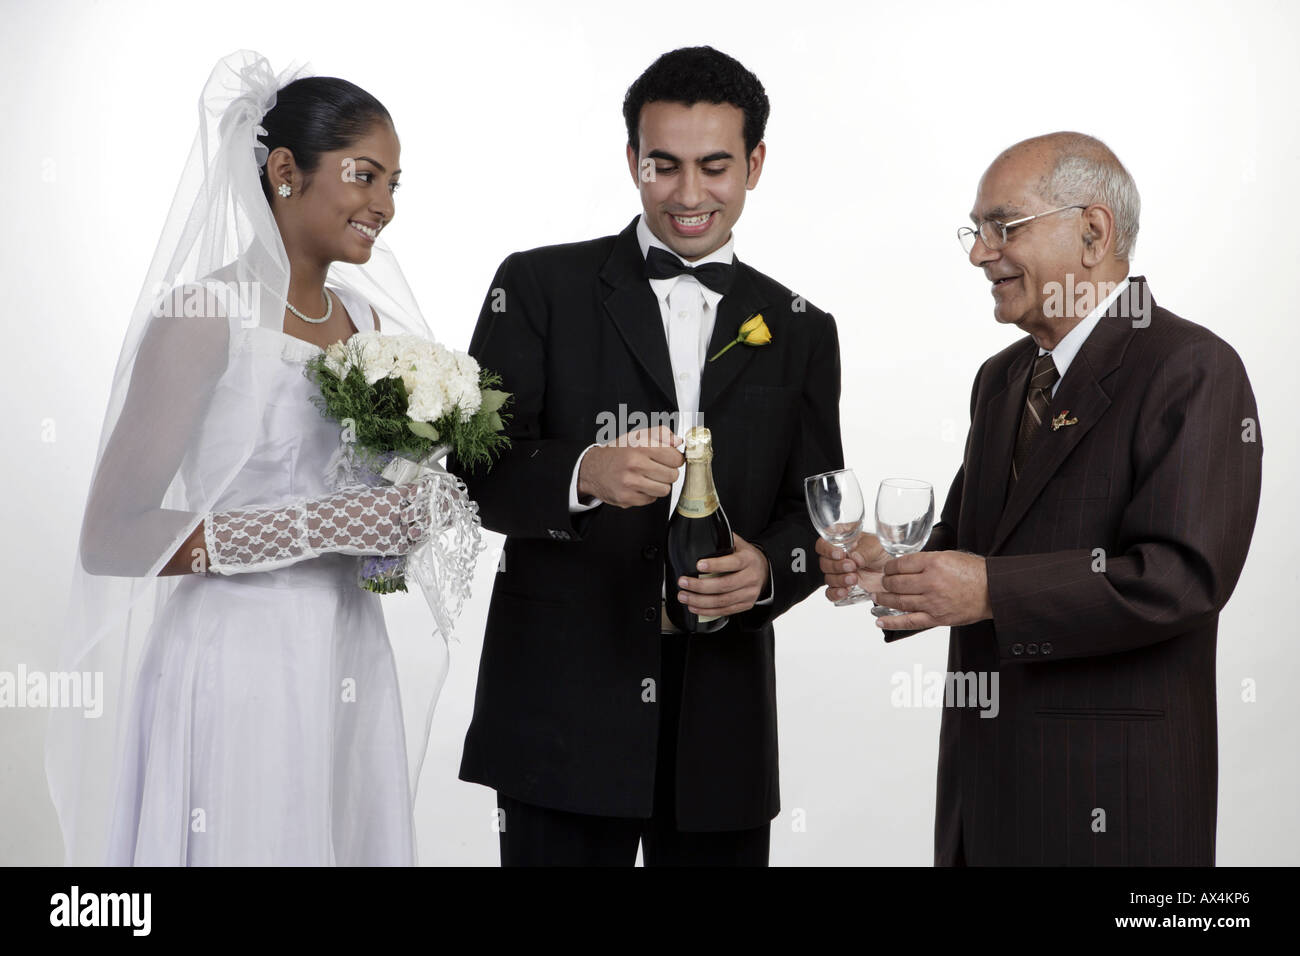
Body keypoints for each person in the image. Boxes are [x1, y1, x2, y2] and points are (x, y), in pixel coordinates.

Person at [47, 51, 479, 865]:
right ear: (284, 169)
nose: (384, 206)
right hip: (238, 655)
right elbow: (109, 537)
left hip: (347, 650)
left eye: (394, 185)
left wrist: (402, 518)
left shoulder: (366, 324)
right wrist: (319, 523)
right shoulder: (206, 315)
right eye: (364, 176)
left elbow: (364, 494)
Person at [819, 132, 1262, 865]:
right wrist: (888, 573)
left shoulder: (1194, 368)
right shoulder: (1001, 379)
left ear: (1093, 232)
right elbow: (969, 547)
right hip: (984, 797)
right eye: (976, 230)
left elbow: (1183, 579)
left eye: (1004, 227)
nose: (979, 253)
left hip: (1114, 803)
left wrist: (991, 589)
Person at [451, 46, 843, 866]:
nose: (689, 195)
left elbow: (817, 513)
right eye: (663, 166)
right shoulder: (534, 285)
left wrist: (770, 570)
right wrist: (579, 474)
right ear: (632, 161)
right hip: (560, 703)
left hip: (722, 715)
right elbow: (470, 472)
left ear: (755, 164)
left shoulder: (803, 326)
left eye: (714, 167)